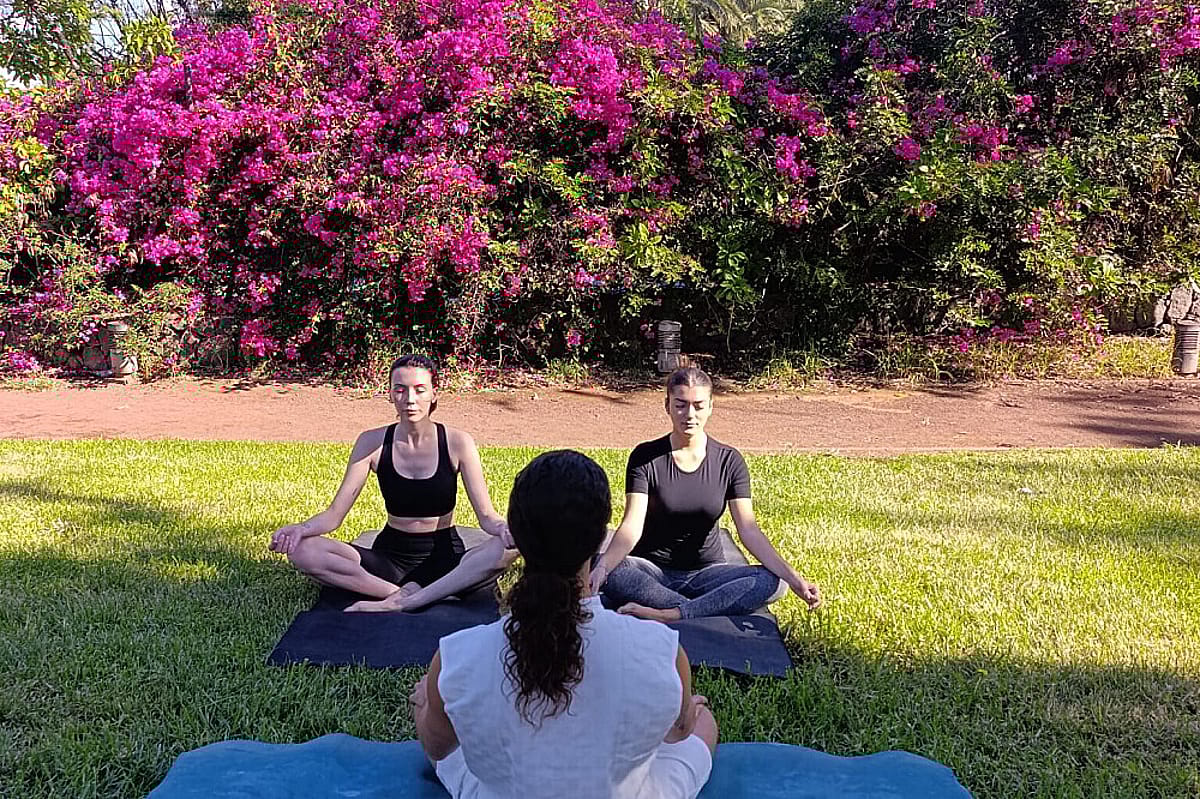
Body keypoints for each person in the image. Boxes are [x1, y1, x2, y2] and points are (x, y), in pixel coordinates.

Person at [411, 449, 717, 799]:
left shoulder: (454, 658)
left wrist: (427, 703)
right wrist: (687, 714)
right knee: (702, 720)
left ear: (518, 536)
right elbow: (678, 732)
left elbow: (438, 748)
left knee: (438, 720)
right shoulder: (661, 650)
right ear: (599, 537)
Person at [268, 354, 516, 612]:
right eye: (400, 390)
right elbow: (334, 516)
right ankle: (400, 595)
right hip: (388, 559)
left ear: (433, 393)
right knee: (302, 551)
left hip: (445, 558)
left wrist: (504, 528)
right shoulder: (371, 442)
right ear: (390, 394)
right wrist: (300, 529)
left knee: (512, 547)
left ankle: (416, 599)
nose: (410, 399)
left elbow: (486, 516)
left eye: (420, 390)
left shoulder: (458, 442)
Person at [590, 366, 821, 621]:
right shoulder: (645, 457)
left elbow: (749, 530)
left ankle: (672, 613)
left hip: (707, 574)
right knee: (611, 570)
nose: (689, 414)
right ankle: (702, 609)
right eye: (680, 405)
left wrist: (795, 578)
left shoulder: (729, 460)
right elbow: (631, 526)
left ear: (711, 406)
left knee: (771, 581)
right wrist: (603, 567)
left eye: (698, 406)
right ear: (667, 405)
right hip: (650, 572)